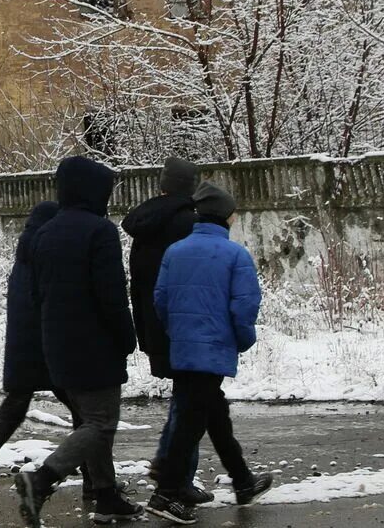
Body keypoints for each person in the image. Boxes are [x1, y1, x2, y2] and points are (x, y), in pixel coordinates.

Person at [13, 155, 143, 525]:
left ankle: (105, 495)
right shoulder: (99, 231)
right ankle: (40, 480)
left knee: (89, 422)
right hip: (95, 345)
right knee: (100, 423)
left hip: (56, 345)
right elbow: (112, 294)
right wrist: (125, 336)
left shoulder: (45, 232)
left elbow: (36, 294)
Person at [145, 183, 275, 524]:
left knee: (214, 414)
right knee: (190, 422)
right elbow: (245, 307)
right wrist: (241, 340)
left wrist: (179, 333)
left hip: (184, 346)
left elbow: (160, 299)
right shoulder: (235, 255)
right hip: (214, 347)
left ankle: (243, 482)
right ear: (226, 216)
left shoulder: (175, 251)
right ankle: (166, 494)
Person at [0, 201, 88, 508]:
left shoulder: (24, 257)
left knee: (16, 414)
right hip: (45, 350)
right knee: (88, 417)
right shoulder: (46, 256)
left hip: (23, 350)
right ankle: (98, 485)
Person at [120, 156, 213, 504]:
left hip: (155, 326)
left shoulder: (145, 224)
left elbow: (139, 283)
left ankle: (171, 471)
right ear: (191, 188)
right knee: (192, 403)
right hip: (185, 326)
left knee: (187, 400)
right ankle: (175, 481)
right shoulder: (189, 225)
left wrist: (145, 330)